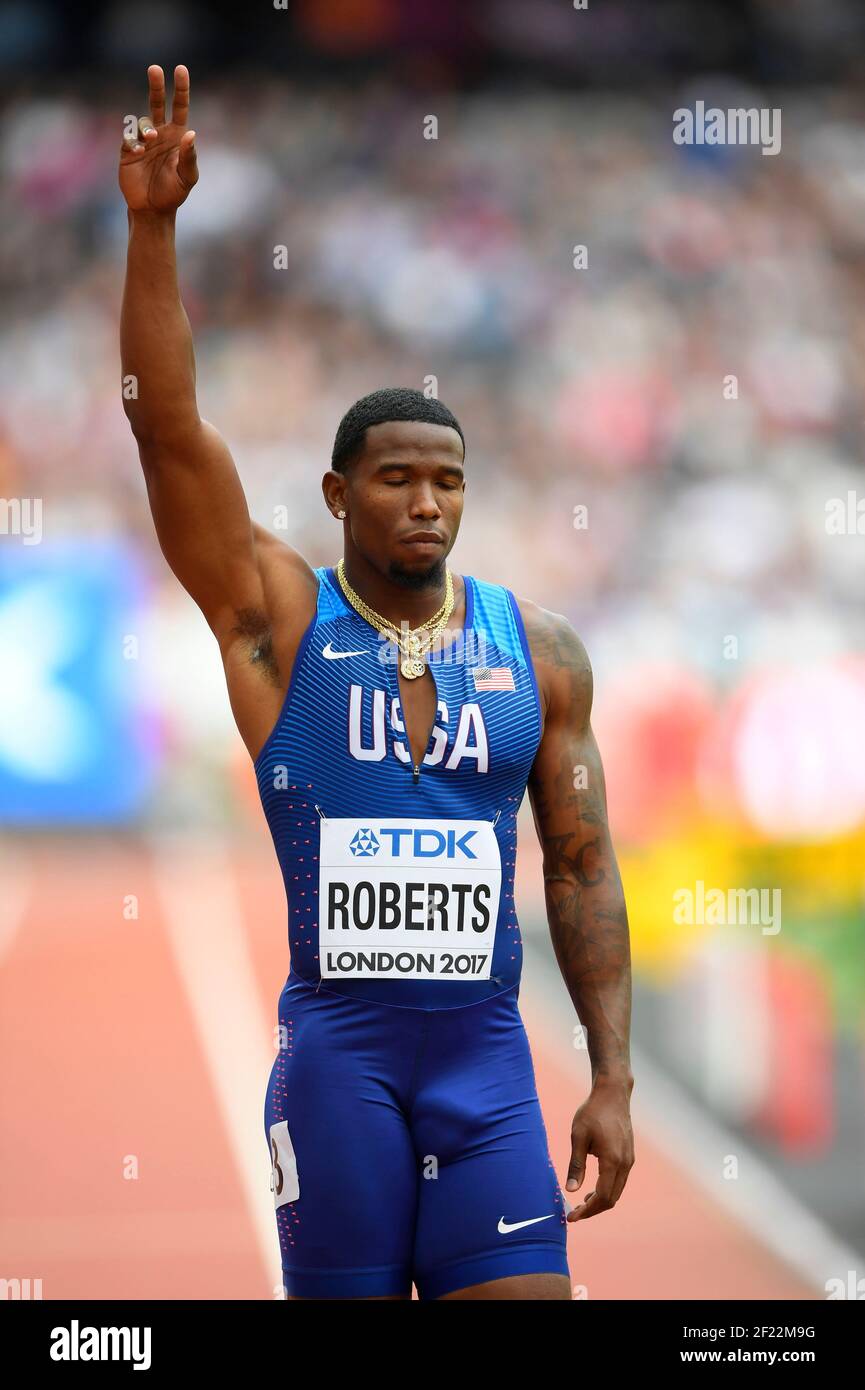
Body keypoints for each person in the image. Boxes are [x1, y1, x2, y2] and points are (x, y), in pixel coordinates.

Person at [119, 64, 635, 1302]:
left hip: (489, 1067)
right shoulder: (278, 624)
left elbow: (578, 864)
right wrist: (151, 232)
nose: (426, 501)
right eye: (398, 478)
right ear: (342, 495)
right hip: (338, 1061)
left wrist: (612, 1077)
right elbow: (166, 428)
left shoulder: (539, 650)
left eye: (447, 480)